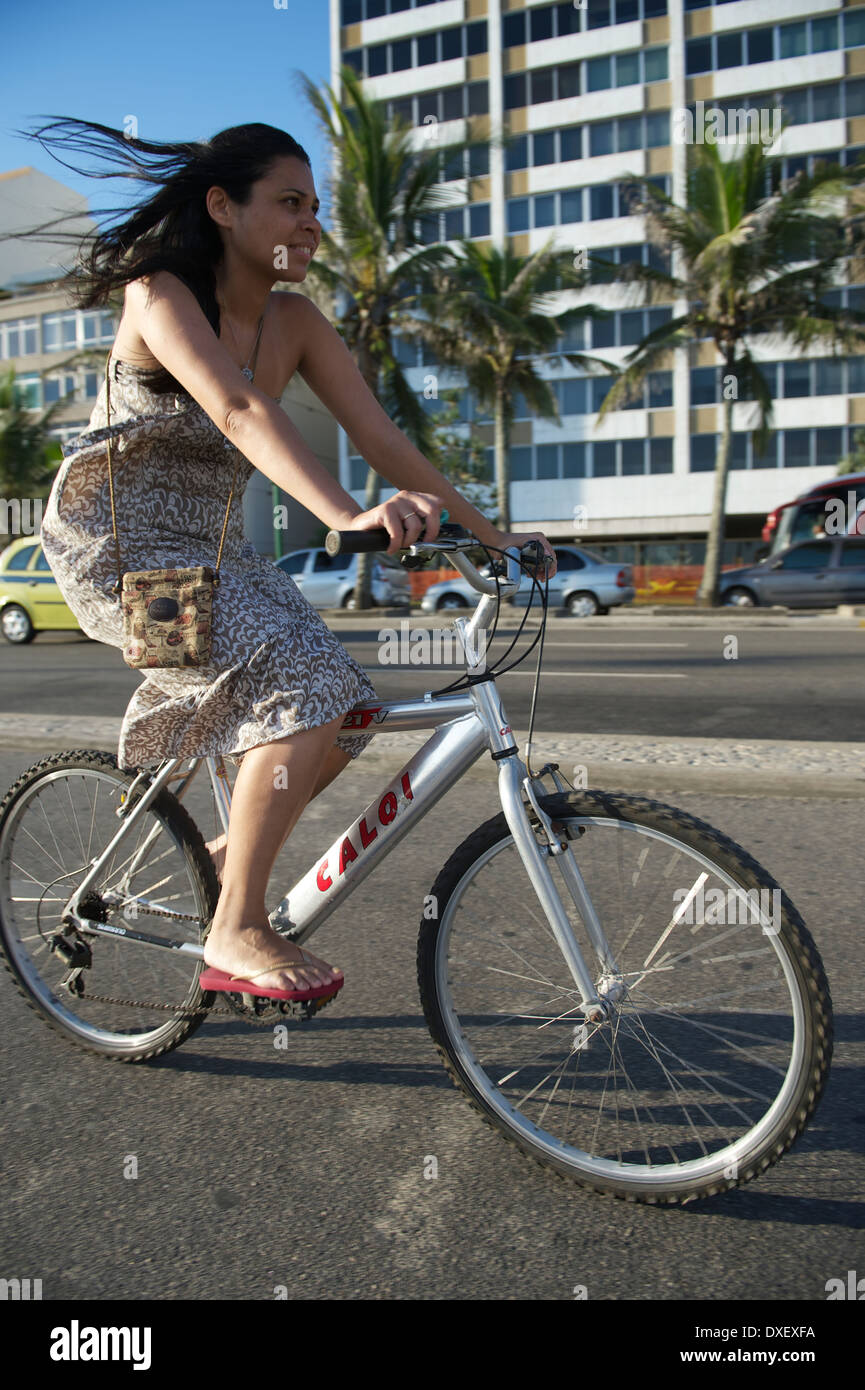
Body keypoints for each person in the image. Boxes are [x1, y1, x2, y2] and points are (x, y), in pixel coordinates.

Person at [35, 120, 558, 1003]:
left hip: (218, 557)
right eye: (287, 203)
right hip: (123, 561)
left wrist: (494, 536)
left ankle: (226, 859)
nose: (309, 225)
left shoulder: (295, 319)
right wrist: (350, 515)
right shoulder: (160, 293)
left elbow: (383, 438)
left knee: (346, 707)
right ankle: (235, 926)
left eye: (316, 210)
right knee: (301, 687)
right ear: (221, 207)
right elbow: (238, 409)